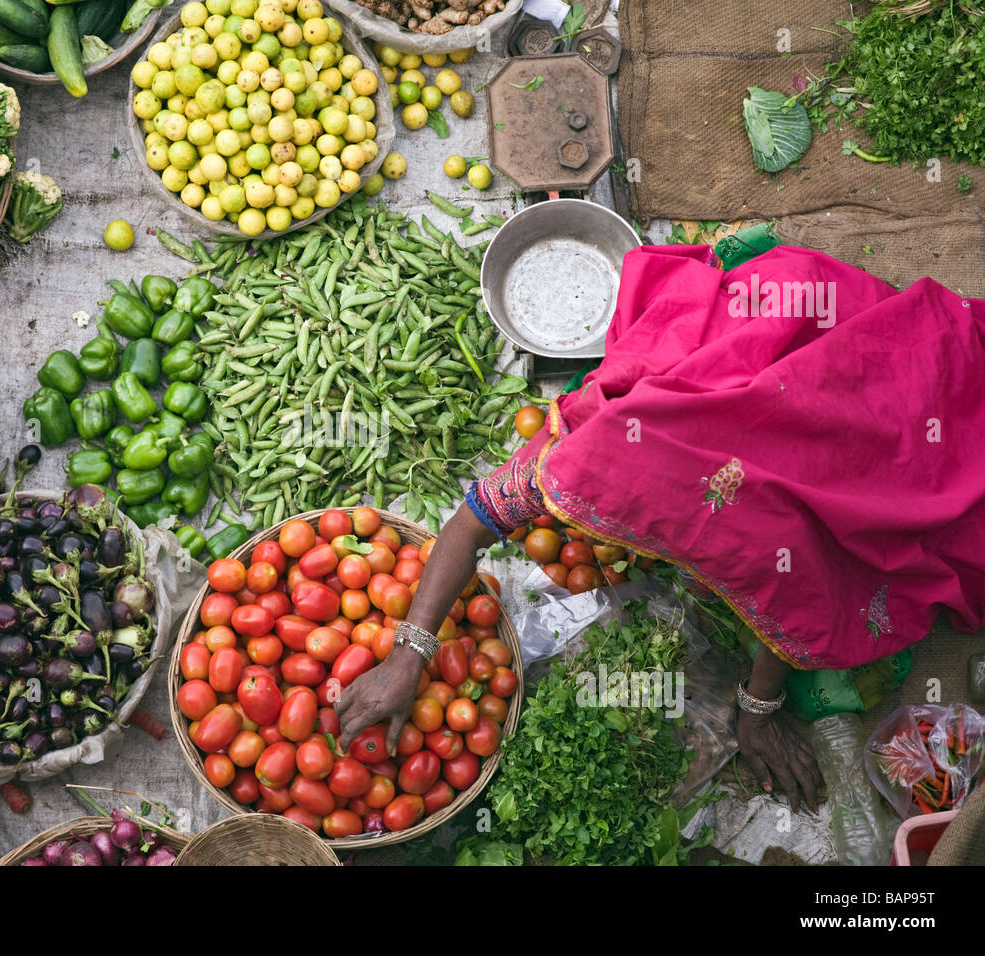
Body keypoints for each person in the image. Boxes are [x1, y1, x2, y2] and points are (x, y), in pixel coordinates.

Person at [337, 242, 985, 813]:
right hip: (762, 348)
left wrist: (756, 713)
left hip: (842, 387)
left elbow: (797, 603)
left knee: (917, 482)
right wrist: (408, 654)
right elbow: (473, 521)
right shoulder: (587, 441)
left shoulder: (749, 520)